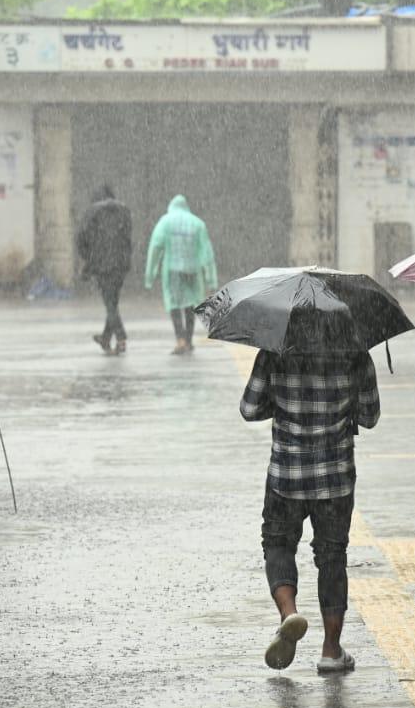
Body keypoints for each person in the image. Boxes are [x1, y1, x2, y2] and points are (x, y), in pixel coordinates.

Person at [241, 347, 380, 674]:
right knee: (332, 556)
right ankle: (331, 650)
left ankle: (289, 613)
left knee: (278, 543)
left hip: (286, 475)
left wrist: (281, 405)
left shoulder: (274, 350)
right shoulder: (355, 352)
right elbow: (370, 416)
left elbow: (249, 408)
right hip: (335, 476)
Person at [145, 195, 217, 355]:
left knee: (174, 304)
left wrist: (150, 274)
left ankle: (180, 339)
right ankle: (189, 340)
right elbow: (207, 252)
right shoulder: (197, 223)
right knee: (190, 304)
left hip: (173, 270)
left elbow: (155, 247)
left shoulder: (165, 222)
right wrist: (211, 278)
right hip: (192, 269)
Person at [75, 185, 132, 356]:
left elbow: (81, 238)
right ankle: (106, 338)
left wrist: (88, 258)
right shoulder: (124, 211)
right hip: (121, 265)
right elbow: (128, 238)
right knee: (112, 302)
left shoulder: (92, 212)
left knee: (110, 304)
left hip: (102, 265)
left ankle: (121, 338)